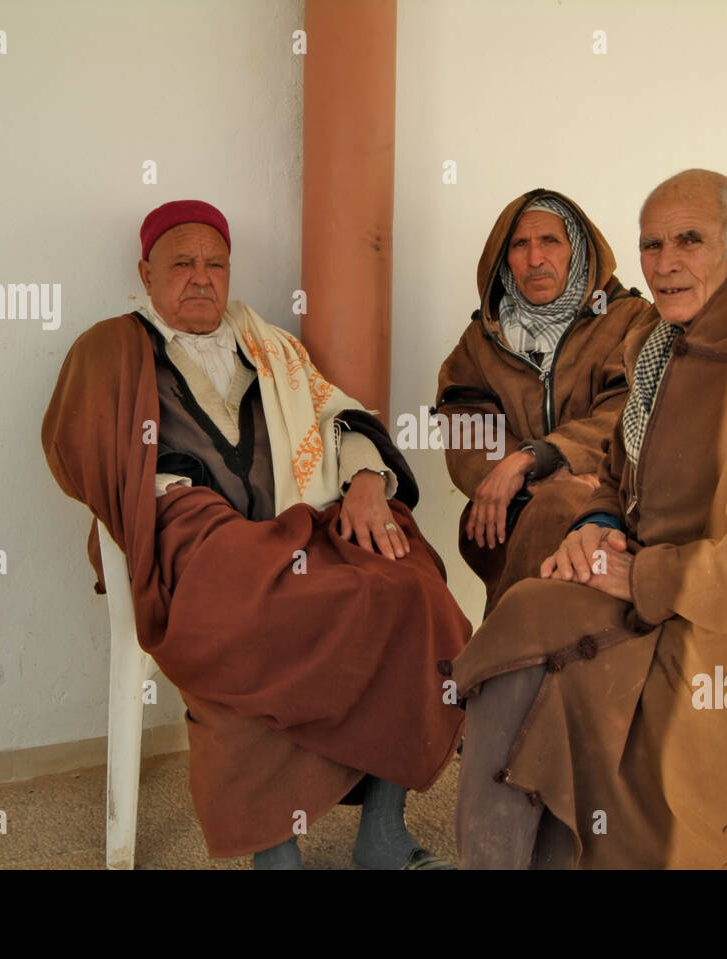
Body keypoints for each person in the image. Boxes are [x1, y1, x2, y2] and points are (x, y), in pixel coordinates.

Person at [450, 170, 727, 868]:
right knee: (522, 623)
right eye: (651, 244)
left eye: (689, 239)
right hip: (678, 586)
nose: (664, 262)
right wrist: (597, 520)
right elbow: (620, 465)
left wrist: (644, 572)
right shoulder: (668, 342)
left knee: (569, 690)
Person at [42, 199, 467, 869]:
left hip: (299, 530)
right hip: (191, 540)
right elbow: (75, 443)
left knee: (409, 580)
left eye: (216, 264)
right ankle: (274, 851)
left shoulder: (268, 342)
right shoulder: (111, 347)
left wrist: (364, 482)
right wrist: (157, 492)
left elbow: (336, 414)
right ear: (145, 273)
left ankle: (383, 834)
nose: (202, 278)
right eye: (182, 264)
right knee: (252, 614)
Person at [436, 189, 657, 614]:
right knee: (546, 507)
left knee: (560, 508)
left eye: (550, 242)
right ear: (504, 258)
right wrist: (530, 480)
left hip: (617, 499)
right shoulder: (482, 341)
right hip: (509, 508)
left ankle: (498, 660)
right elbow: (465, 426)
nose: (535, 259)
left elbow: (626, 413)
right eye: (519, 245)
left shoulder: (631, 320)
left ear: (577, 250)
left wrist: (533, 459)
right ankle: (515, 660)